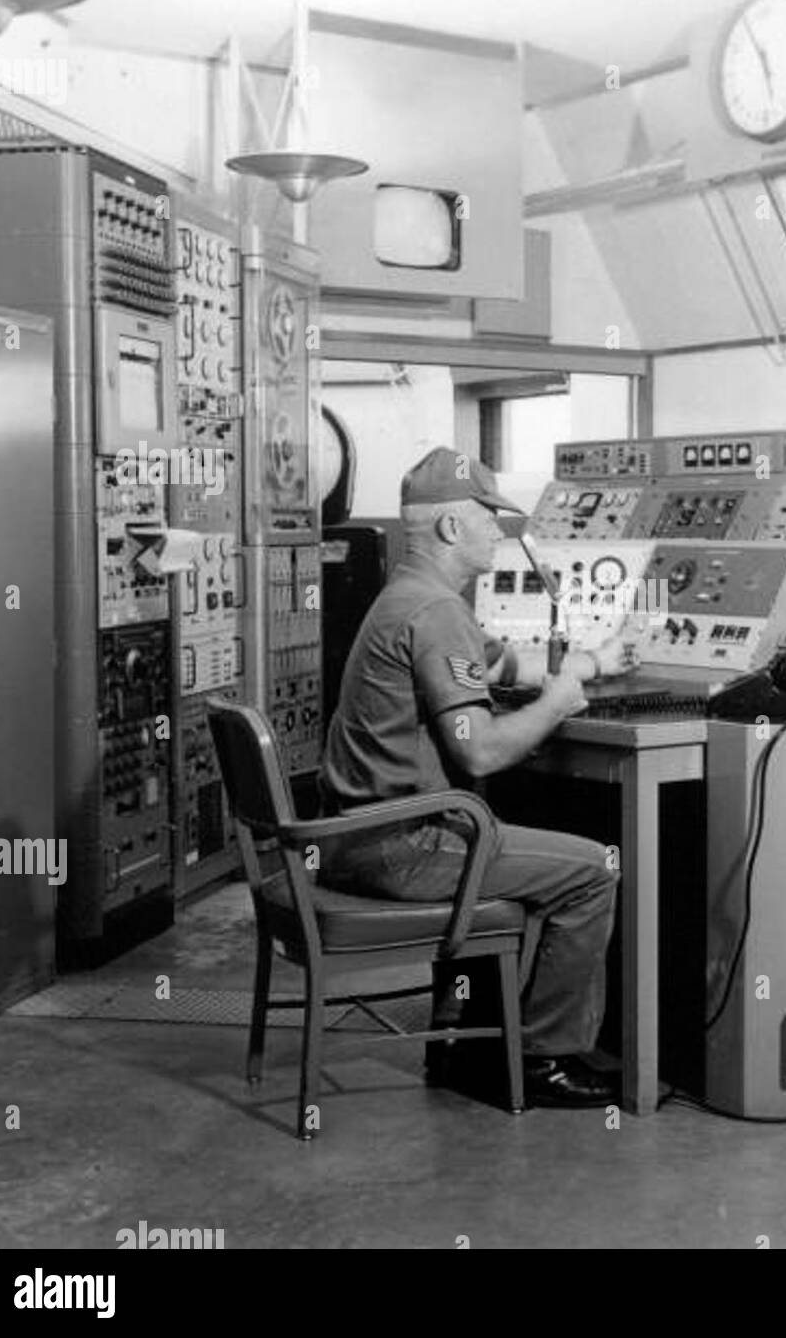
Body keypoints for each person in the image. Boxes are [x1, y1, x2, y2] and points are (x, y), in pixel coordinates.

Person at [318, 446, 637, 1108]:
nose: (499, 529)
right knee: (592, 870)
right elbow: (482, 754)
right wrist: (560, 700)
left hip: (359, 836)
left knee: (541, 845)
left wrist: (593, 663)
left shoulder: (410, 597)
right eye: (487, 516)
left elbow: (495, 666)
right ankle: (545, 1057)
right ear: (448, 528)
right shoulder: (434, 611)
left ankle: (464, 1039)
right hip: (404, 846)